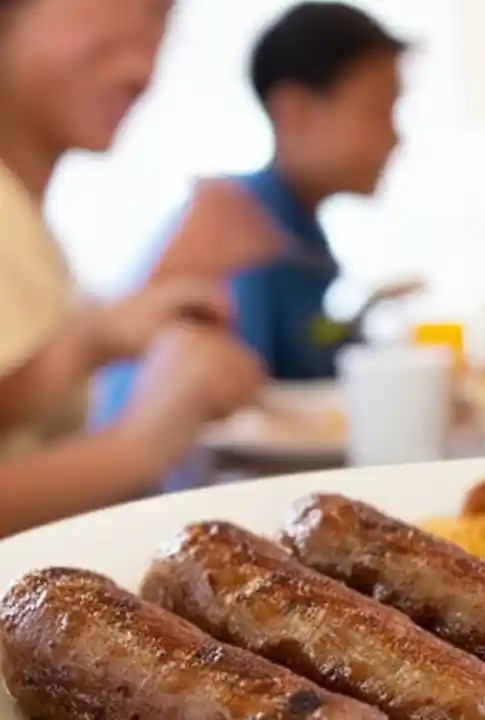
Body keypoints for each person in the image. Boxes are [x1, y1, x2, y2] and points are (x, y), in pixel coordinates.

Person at [0, 0, 264, 536]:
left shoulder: (25, 219)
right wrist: (137, 447)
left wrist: (87, 342)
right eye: (106, 27)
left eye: (158, 26)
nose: (142, 70)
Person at [96, 2, 413, 428]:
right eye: (379, 111)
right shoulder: (238, 227)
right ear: (294, 112)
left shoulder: (300, 227)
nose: (396, 137)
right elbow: (243, 400)